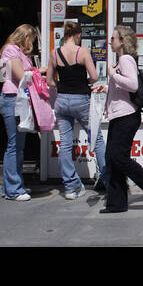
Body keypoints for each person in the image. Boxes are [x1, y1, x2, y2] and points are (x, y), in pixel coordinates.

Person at [100, 26, 143, 213]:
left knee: (117, 157)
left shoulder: (125, 59)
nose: (110, 41)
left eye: (113, 38)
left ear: (122, 41)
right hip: (119, 115)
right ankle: (116, 203)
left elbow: (132, 84)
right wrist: (106, 88)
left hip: (126, 116)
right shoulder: (121, 60)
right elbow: (121, 89)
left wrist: (113, 74)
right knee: (112, 159)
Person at [50, 20, 99, 200]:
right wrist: (82, 83)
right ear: (78, 35)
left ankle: (71, 187)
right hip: (81, 99)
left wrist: (62, 85)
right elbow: (94, 77)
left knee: (65, 143)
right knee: (96, 138)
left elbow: (49, 81)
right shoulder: (82, 51)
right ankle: (107, 179)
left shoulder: (54, 53)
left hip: (62, 100)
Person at [0, 24, 43, 202]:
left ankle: (11, 185)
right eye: (31, 40)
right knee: (14, 146)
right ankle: (14, 189)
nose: (31, 44)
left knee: (18, 146)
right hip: (12, 99)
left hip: (17, 100)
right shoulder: (11, 50)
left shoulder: (17, 52)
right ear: (25, 37)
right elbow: (20, 75)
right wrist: (39, 71)